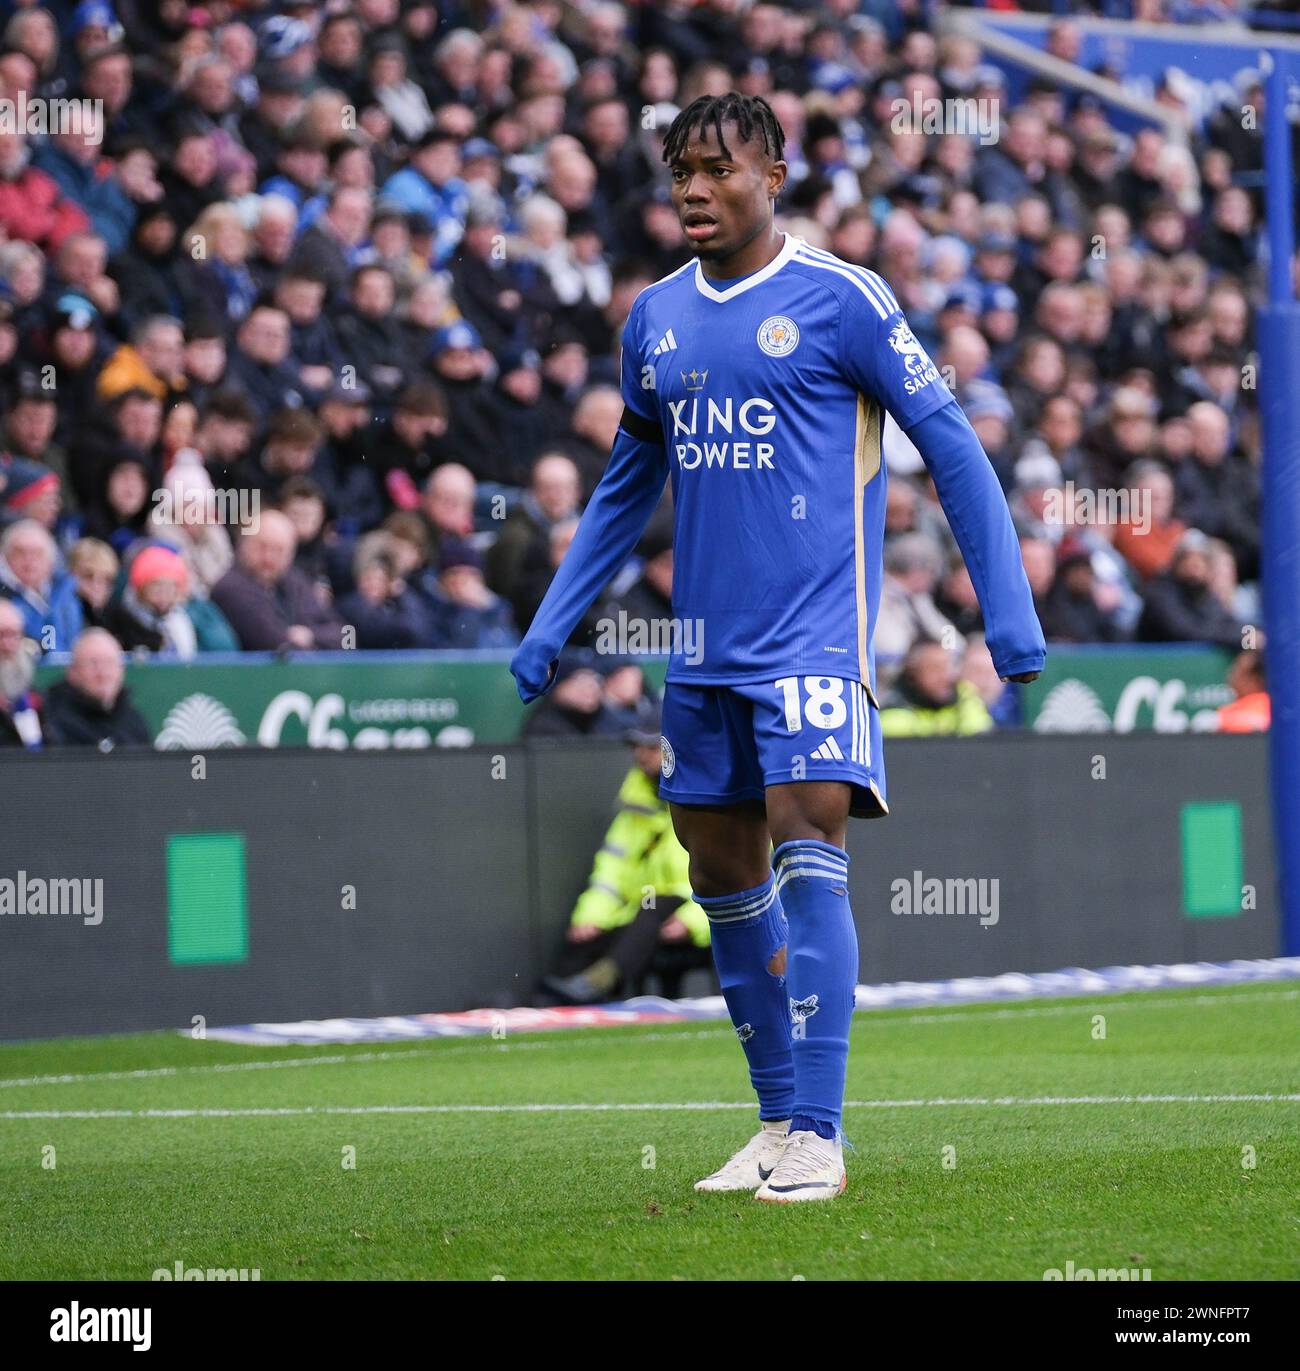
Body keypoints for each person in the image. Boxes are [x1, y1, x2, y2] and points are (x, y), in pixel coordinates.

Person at [510, 94, 1044, 1203]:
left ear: (775, 174)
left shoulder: (845, 301)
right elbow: (625, 483)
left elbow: (950, 447)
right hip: (702, 655)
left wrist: (1007, 611)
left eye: (716, 167)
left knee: (809, 844)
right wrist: (552, 622)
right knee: (718, 872)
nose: (694, 189)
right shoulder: (654, 319)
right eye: (677, 172)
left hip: (812, 638)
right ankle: (772, 1120)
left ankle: (821, 1132)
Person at [542, 702, 712, 1005]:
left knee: (653, 907)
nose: (640, 754)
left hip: (693, 912)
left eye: (651, 745)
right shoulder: (633, 809)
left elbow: (734, 876)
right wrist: (590, 919)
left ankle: (601, 982)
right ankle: (548, 1000)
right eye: (636, 745)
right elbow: (609, 875)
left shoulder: (709, 803)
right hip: (642, 914)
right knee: (587, 941)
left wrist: (693, 920)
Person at [43, 627, 151, 748]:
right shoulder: (51, 719)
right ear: (72, 672)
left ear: (122, 671)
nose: (102, 673)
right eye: (93, 663)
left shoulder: (133, 722)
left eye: (109, 663)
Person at [1216, 647, 1269, 734]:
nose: (1231, 678)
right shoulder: (1229, 710)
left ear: (1256, 679)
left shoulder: (1271, 706)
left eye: (1238, 672)